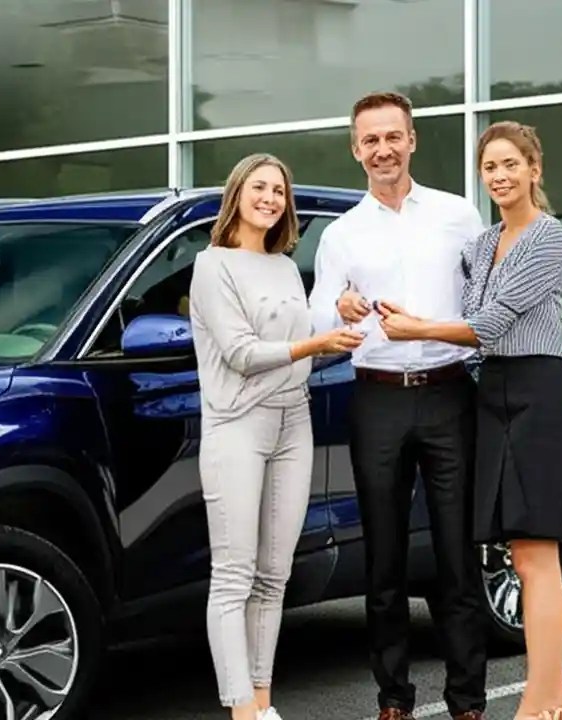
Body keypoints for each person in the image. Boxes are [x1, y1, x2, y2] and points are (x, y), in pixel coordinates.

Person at [377, 120, 562, 720]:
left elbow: (486, 324)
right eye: (490, 168)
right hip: (491, 392)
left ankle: (542, 698)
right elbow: (472, 314)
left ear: (534, 169)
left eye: (510, 165)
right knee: (519, 555)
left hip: (537, 390)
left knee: (538, 552)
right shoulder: (480, 242)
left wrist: (417, 329)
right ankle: (556, 699)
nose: (499, 176)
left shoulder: (547, 237)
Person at [307, 92, 489, 720]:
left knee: (456, 554)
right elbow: (317, 313)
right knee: (382, 558)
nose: (382, 149)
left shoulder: (458, 215)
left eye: (393, 136)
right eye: (370, 140)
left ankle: (467, 700)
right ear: (356, 150)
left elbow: (485, 302)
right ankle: (394, 699)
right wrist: (343, 309)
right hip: (377, 398)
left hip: (447, 393)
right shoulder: (340, 234)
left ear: (412, 140)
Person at [190, 153, 364, 720]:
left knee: (274, 574)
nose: (270, 198)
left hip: (295, 419)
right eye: (260, 187)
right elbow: (240, 354)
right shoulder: (212, 266)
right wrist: (317, 345)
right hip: (239, 424)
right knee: (234, 575)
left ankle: (263, 703)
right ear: (237, 194)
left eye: (279, 191)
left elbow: (303, 343)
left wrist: (335, 319)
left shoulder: (287, 268)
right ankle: (240, 709)